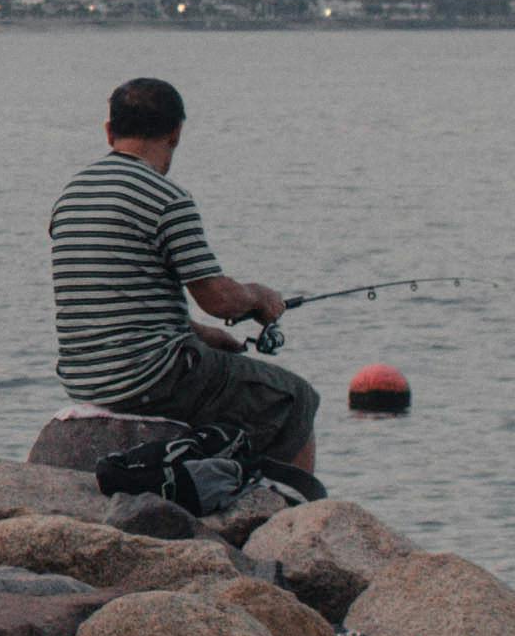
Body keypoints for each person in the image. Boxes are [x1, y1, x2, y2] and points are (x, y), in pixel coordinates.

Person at [49, 76, 317, 472]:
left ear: (109, 132)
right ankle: (290, 517)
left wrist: (205, 337)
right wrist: (261, 297)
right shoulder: (167, 199)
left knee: (231, 378)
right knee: (294, 399)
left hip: (85, 378)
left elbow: (119, 300)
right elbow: (219, 299)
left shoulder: (70, 196)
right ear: (175, 134)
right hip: (151, 379)